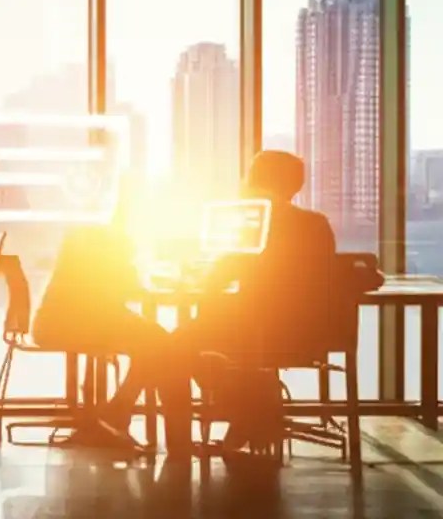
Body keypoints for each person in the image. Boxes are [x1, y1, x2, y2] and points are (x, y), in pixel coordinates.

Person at [176, 150, 336, 451]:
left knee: (175, 346)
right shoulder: (317, 224)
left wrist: (201, 282)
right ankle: (256, 408)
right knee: (220, 336)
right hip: (309, 336)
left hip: (256, 333)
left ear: (256, 180)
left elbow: (217, 279)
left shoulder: (252, 223)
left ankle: (244, 410)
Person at [33, 195, 193, 456]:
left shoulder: (85, 236)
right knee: (162, 344)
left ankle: (114, 415)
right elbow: (127, 289)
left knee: (156, 342)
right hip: (80, 323)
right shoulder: (107, 242)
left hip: (58, 322)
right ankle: (124, 418)